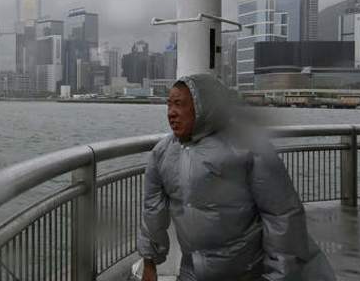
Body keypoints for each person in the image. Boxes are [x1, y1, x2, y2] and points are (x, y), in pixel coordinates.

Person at [137, 74, 334, 281]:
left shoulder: (247, 147)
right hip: (192, 271)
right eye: (169, 105)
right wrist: (149, 262)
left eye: (179, 104)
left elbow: (281, 215)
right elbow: (153, 210)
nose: (171, 113)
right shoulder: (162, 153)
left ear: (204, 107)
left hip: (247, 270)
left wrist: (280, 274)